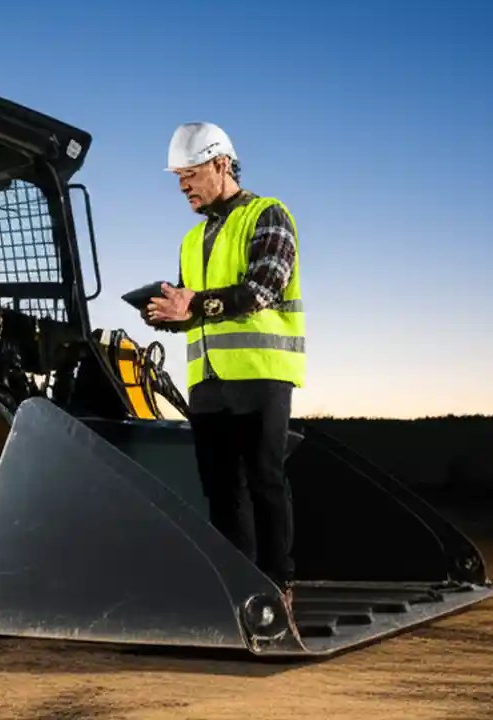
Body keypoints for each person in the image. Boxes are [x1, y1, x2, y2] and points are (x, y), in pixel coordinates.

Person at [142, 121, 305, 602]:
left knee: (265, 482)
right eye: (177, 178)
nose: (183, 185)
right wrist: (167, 313)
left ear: (221, 164)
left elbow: (261, 290)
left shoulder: (267, 216)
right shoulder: (192, 240)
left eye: (190, 173)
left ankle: (280, 587)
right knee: (220, 490)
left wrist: (192, 306)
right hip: (208, 381)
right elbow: (196, 309)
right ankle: (238, 591)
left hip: (259, 374)